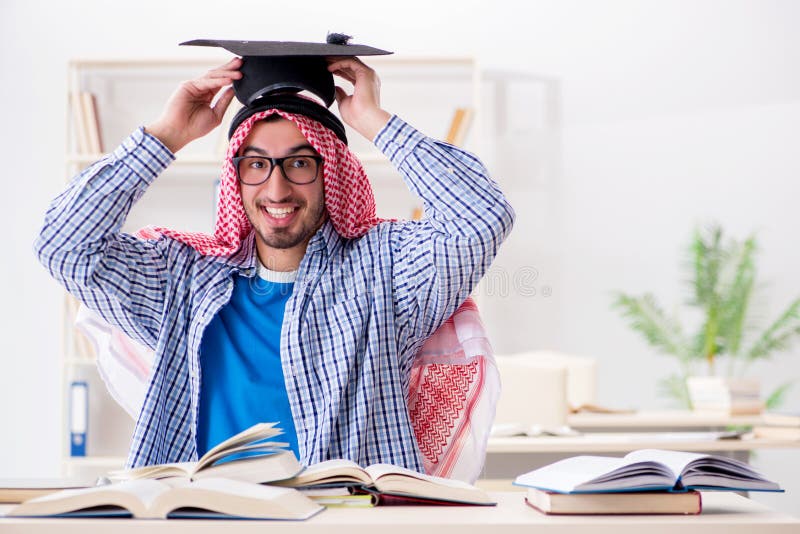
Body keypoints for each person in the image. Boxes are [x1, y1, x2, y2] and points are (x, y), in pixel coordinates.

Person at [35, 41, 514, 481]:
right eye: (257, 163)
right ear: (236, 176)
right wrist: (165, 136)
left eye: (301, 162)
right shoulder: (182, 279)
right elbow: (62, 245)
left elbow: (482, 217)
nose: (277, 189)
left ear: (333, 173)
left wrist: (372, 119)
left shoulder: (387, 273)